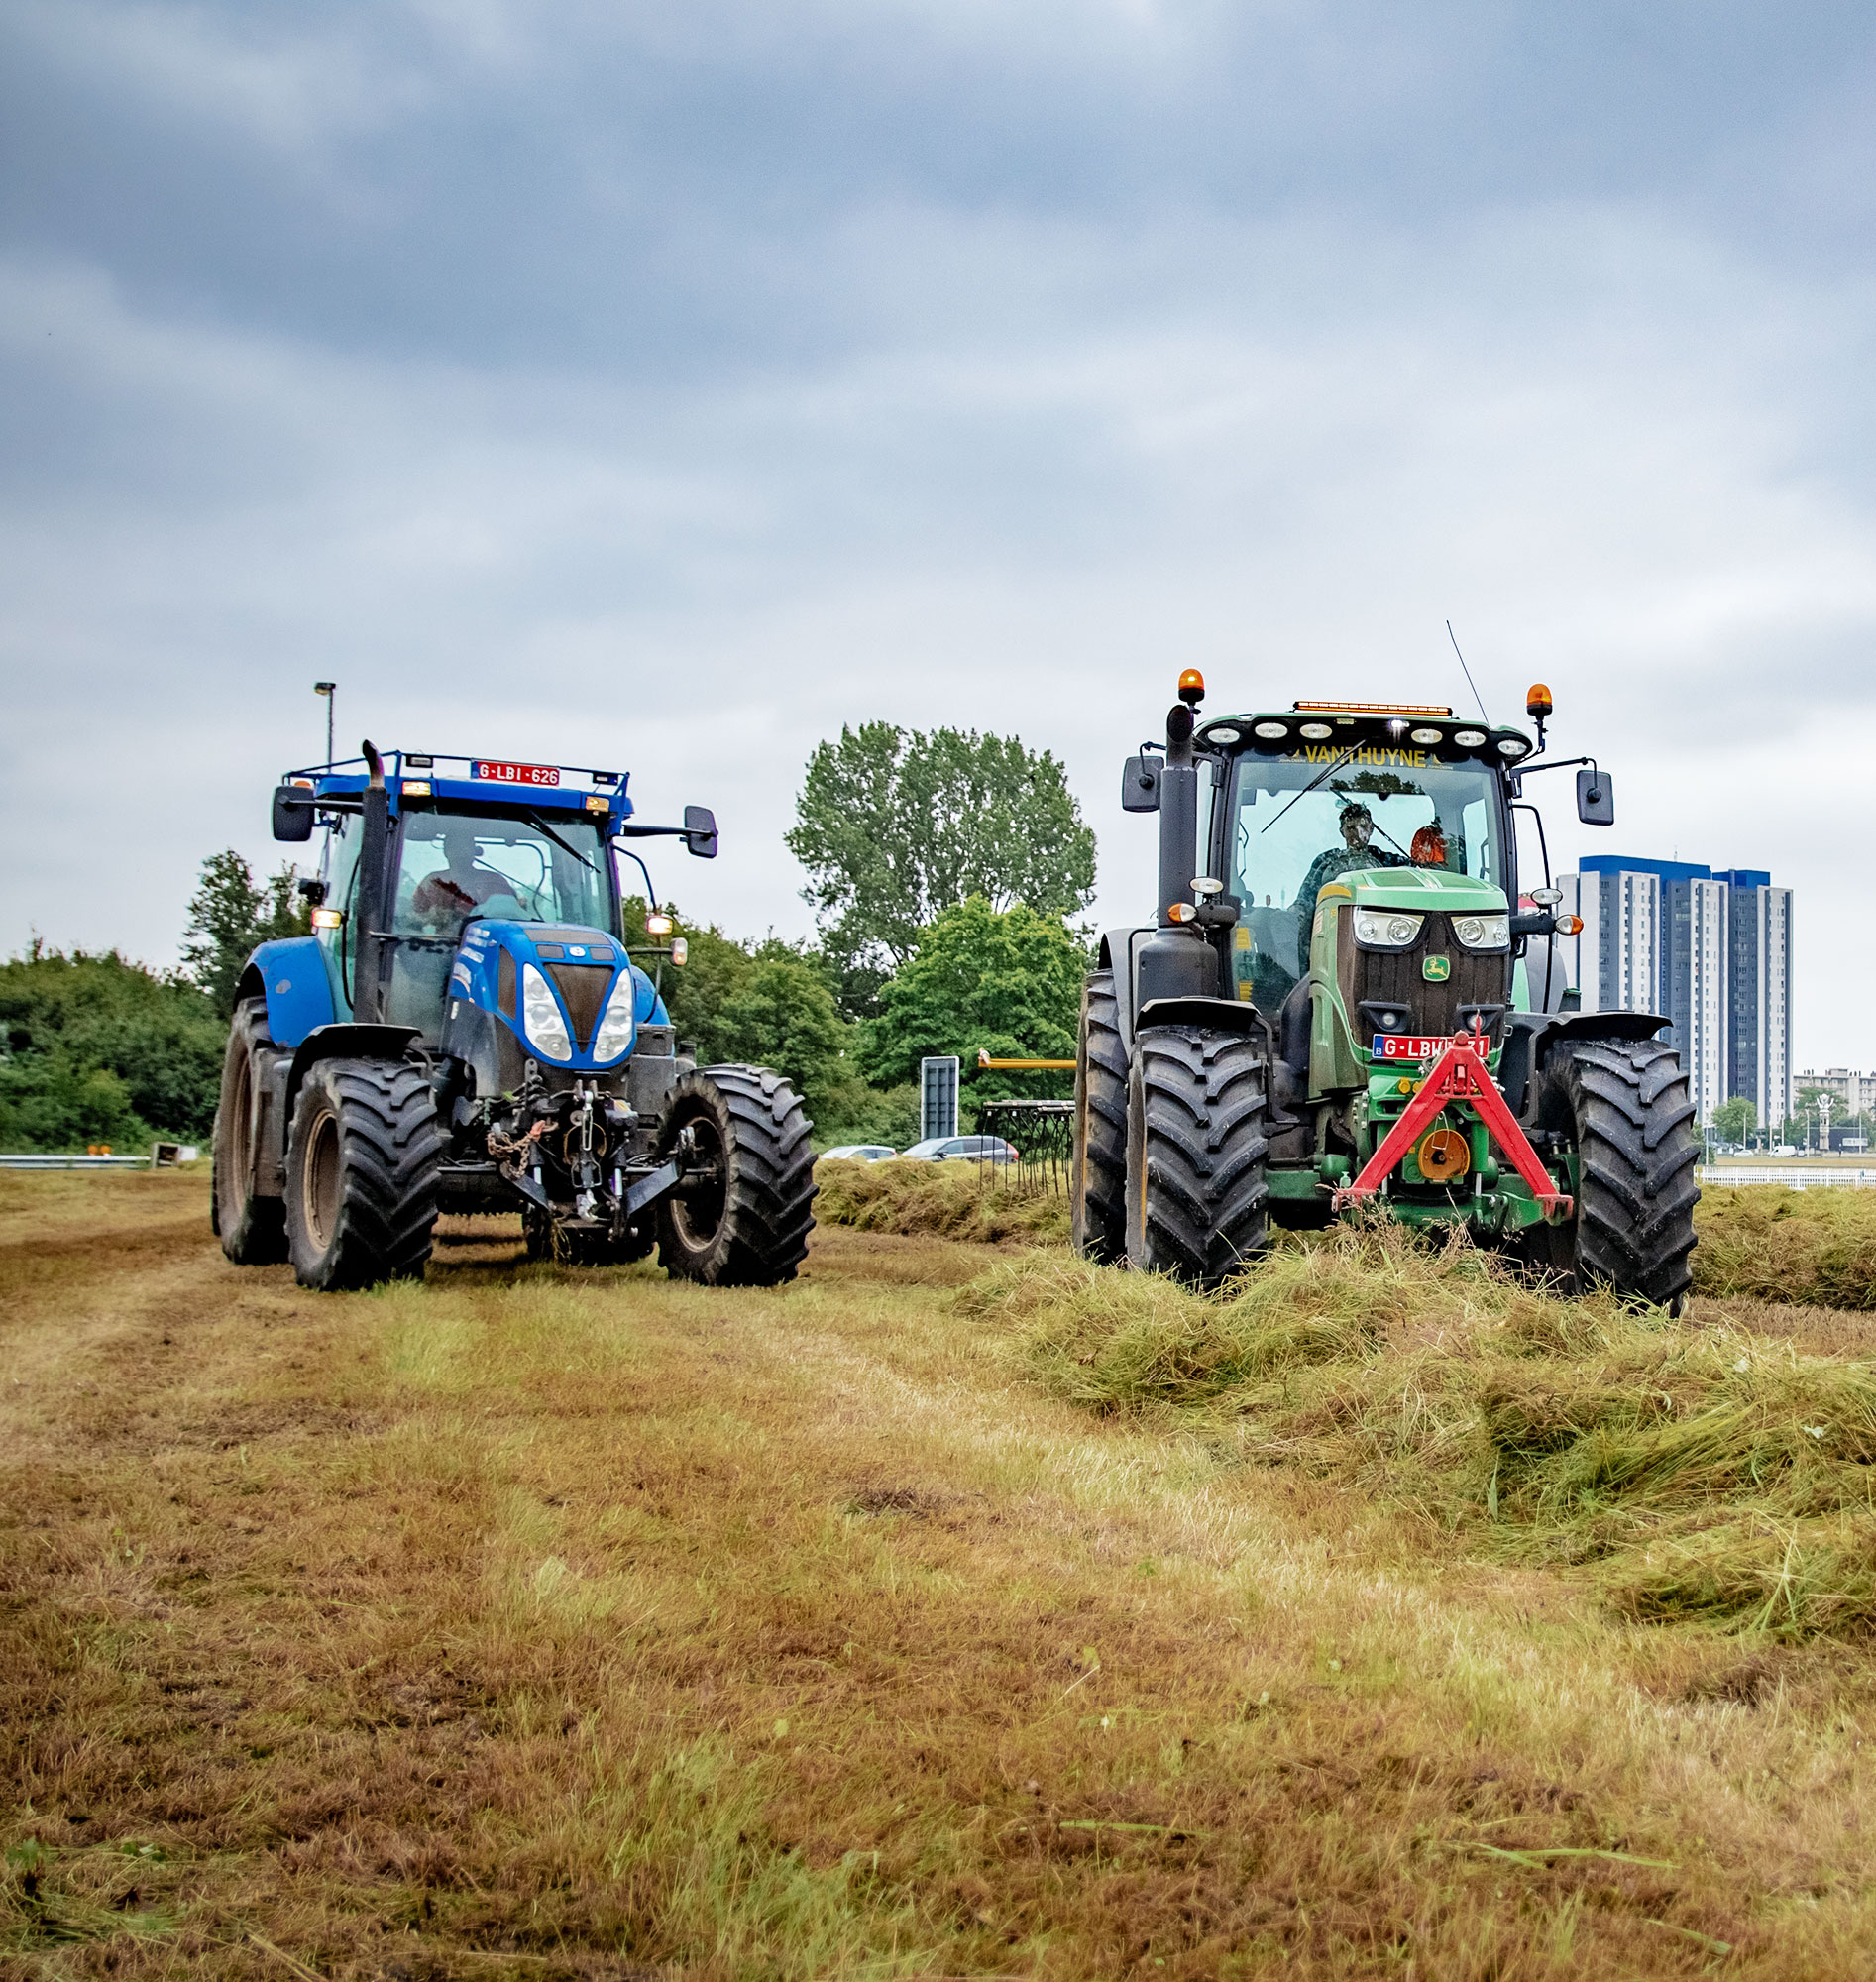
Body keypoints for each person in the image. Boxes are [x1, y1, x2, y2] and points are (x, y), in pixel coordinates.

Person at [1293, 802, 1405, 971]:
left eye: (1363, 826)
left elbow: (1413, 872)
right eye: (1351, 827)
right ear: (1342, 831)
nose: (1358, 832)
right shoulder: (1325, 861)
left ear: (1371, 829)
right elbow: (1306, 899)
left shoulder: (1387, 861)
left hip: (1378, 930)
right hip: (1332, 926)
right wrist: (1298, 912)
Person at [410, 819, 508, 926]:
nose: (460, 852)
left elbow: (509, 916)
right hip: (443, 941)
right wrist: (435, 915)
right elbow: (414, 916)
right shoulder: (432, 882)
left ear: (474, 851)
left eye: (465, 847)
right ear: (446, 852)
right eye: (454, 847)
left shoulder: (495, 882)